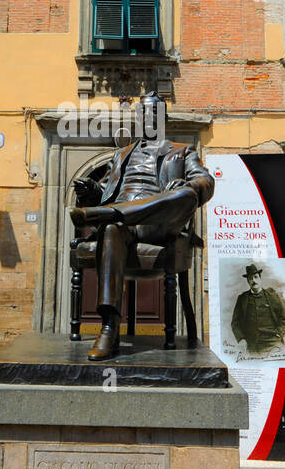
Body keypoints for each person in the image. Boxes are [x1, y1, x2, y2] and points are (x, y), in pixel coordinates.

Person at [70, 92, 214, 360]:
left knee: (185, 196)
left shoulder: (181, 152)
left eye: (153, 114)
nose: (147, 118)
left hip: (158, 224)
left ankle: (105, 214)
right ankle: (109, 327)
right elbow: (107, 189)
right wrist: (91, 190)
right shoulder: (121, 154)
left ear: (163, 119)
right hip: (123, 226)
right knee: (112, 227)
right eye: (143, 113)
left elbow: (205, 183)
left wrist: (186, 184)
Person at [230, 263, 285, 355]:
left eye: (256, 277)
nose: (254, 280)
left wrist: (279, 334)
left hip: (272, 343)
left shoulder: (272, 296)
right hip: (252, 345)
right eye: (250, 278)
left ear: (260, 278)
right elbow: (235, 322)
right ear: (248, 281)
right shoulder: (242, 298)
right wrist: (241, 339)